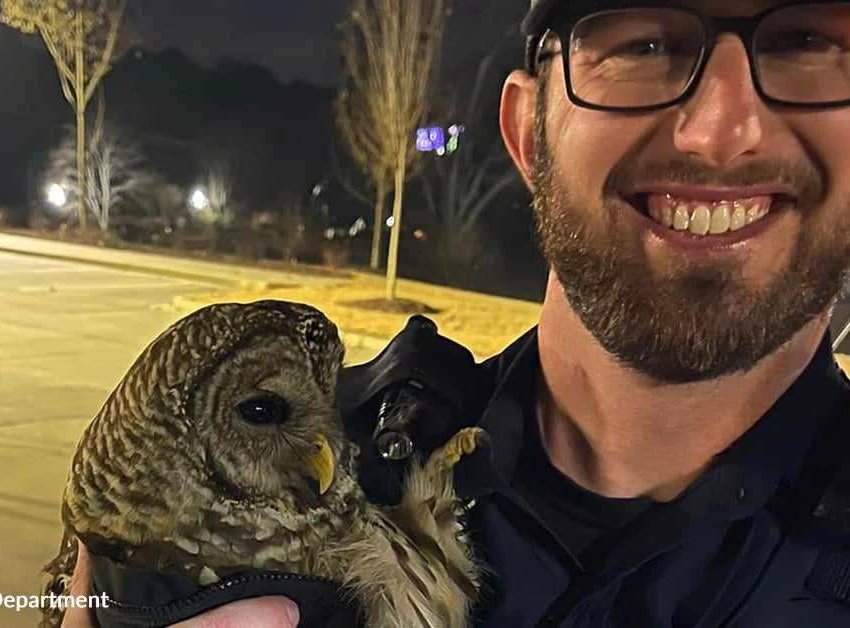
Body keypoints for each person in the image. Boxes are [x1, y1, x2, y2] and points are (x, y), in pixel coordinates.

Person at [63, 0, 850, 625]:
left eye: (809, 39)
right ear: (527, 134)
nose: (720, 133)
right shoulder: (300, 466)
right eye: (645, 43)